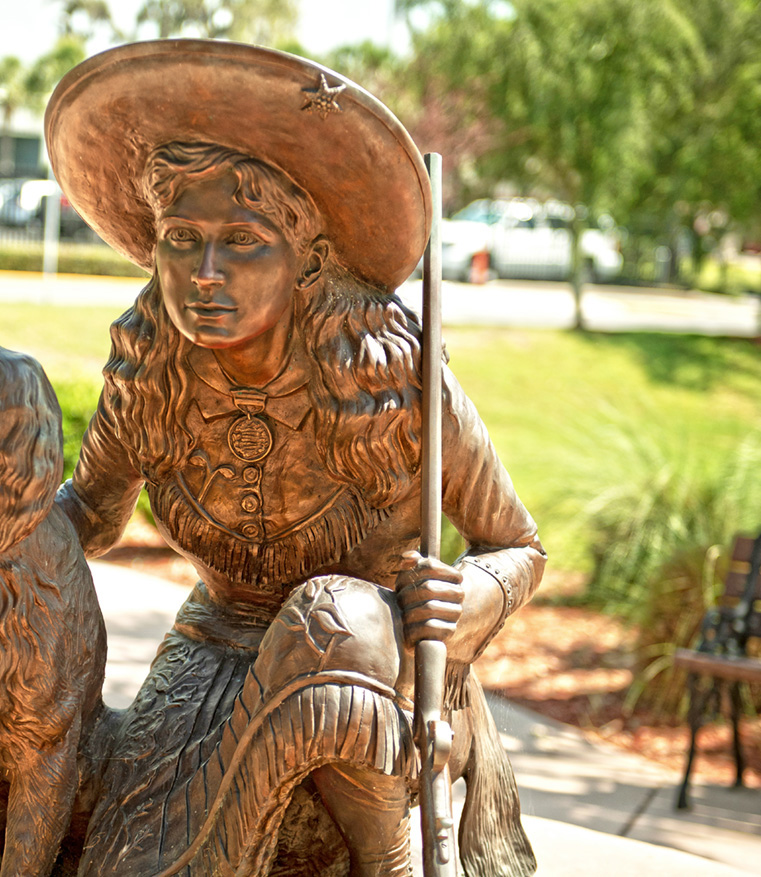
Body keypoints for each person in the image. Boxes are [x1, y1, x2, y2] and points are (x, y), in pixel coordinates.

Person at [47, 41, 546, 877]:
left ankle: (388, 862)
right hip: (213, 654)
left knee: (331, 615)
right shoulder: (151, 369)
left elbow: (517, 545)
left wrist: (469, 596)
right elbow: (85, 515)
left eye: (241, 241)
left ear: (307, 256)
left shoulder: (394, 377)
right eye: (181, 238)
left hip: (375, 671)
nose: (204, 273)